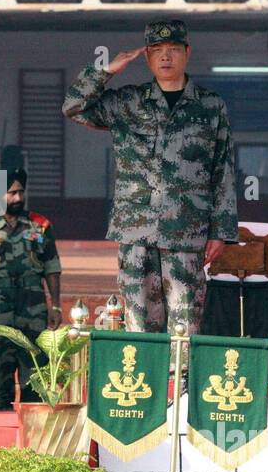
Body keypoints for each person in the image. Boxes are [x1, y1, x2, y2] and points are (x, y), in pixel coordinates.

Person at [62, 19, 236, 334]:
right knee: (139, 323)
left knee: (185, 324)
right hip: (135, 231)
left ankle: (180, 384)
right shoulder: (126, 102)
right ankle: (142, 383)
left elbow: (223, 169)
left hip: (187, 230)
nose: (165, 57)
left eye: (173, 50)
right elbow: (73, 107)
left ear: (188, 52)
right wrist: (107, 70)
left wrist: (220, 231)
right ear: (147, 57)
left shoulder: (210, 106)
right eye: (157, 50)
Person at [0, 171, 63, 411]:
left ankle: (34, 434)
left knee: (35, 372)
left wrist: (56, 305)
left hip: (34, 303)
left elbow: (52, 267)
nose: (18, 197)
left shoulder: (40, 226)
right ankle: (0, 430)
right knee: (0, 373)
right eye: (12, 193)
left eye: (20, 192)